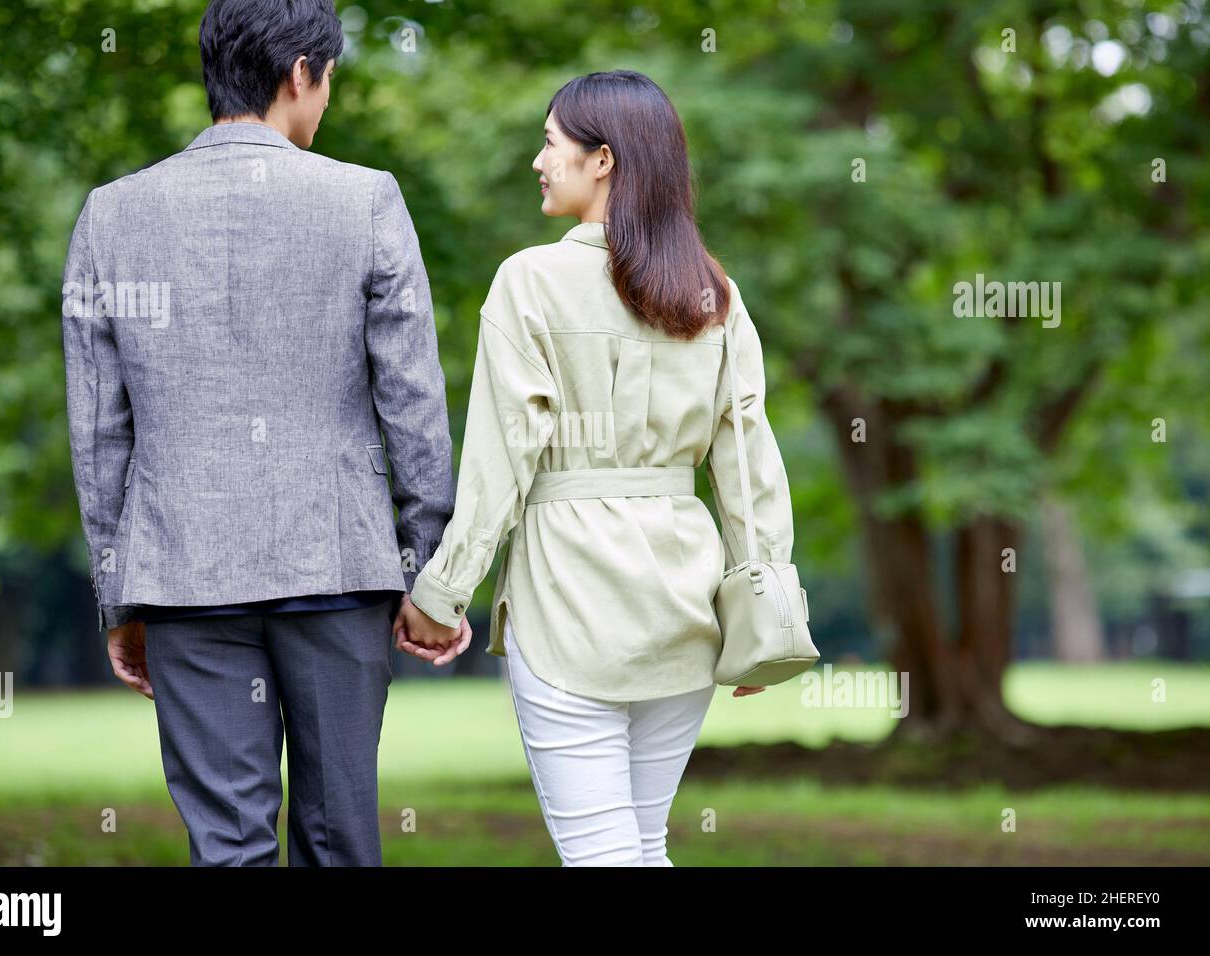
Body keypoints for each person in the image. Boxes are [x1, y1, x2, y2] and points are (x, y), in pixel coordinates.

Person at [60, 0, 463, 865]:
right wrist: (426, 567)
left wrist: (118, 592)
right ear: (300, 73)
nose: (327, 101)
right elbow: (413, 401)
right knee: (339, 839)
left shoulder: (111, 215)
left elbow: (98, 433)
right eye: (330, 80)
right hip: (338, 571)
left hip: (183, 575)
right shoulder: (365, 200)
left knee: (227, 847)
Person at [393, 70, 795, 866]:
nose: (538, 162)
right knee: (643, 846)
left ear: (602, 159)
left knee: (604, 855)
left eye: (551, 144)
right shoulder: (713, 292)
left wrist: (443, 592)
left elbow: (503, 457)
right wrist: (768, 610)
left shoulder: (529, 282)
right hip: (683, 609)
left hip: (568, 603)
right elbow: (748, 463)